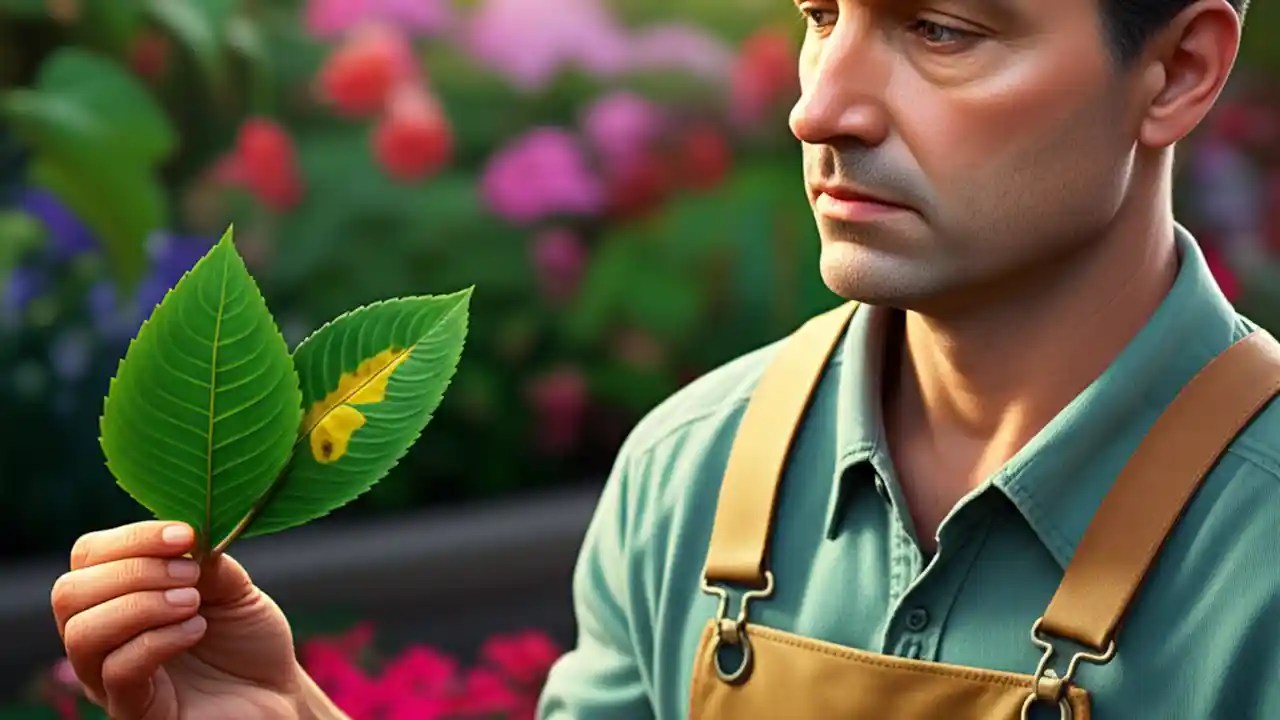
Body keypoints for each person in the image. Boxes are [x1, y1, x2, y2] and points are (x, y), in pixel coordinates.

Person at [50, 0, 1278, 717]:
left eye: (941, 31)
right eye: (817, 16)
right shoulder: (695, 468)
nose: (821, 105)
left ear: (1175, 71)